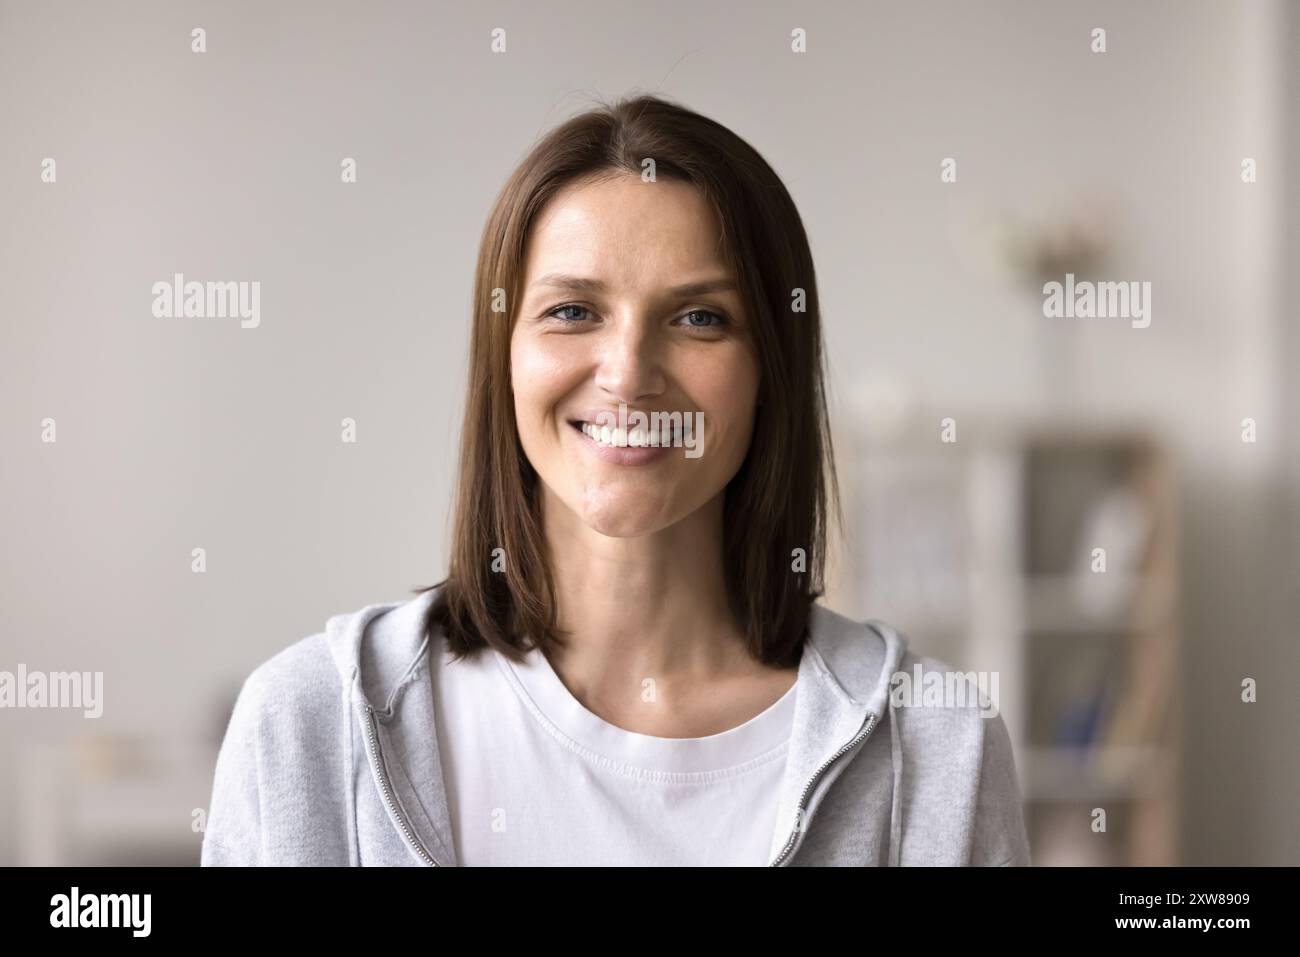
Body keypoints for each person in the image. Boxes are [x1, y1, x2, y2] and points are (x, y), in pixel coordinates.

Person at [200, 94, 1030, 867]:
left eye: (700, 317)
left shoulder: (938, 748)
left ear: (772, 369)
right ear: (506, 360)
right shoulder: (309, 724)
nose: (628, 374)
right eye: (572, 310)